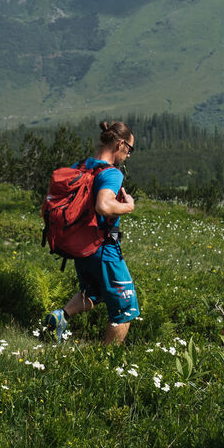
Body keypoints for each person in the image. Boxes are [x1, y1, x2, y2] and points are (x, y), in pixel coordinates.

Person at [44, 121, 140, 346]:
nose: (128, 155)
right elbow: (103, 206)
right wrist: (128, 206)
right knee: (125, 307)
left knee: (93, 292)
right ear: (120, 144)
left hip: (83, 247)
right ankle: (106, 363)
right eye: (130, 149)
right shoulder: (111, 173)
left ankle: (61, 316)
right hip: (104, 248)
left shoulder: (83, 165)